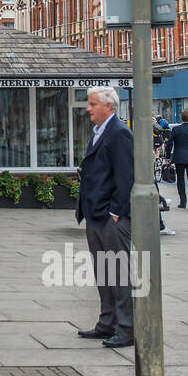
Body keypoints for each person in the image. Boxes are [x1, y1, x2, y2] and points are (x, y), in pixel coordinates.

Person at [74, 86, 134, 349]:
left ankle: (126, 328)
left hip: (111, 217)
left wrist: (115, 213)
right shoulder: (100, 131)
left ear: (109, 106)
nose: (88, 108)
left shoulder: (120, 133)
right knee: (103, 273)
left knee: (118, 274)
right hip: (95, 214)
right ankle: (106, 322)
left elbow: (126, 176)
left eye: (93, 104)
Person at [165, 110, 188, 210]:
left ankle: (183, 202)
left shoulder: (176, 130)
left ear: (181, 118)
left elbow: (170, 144)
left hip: (180, 157)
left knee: (180, 180)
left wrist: (168, 156)